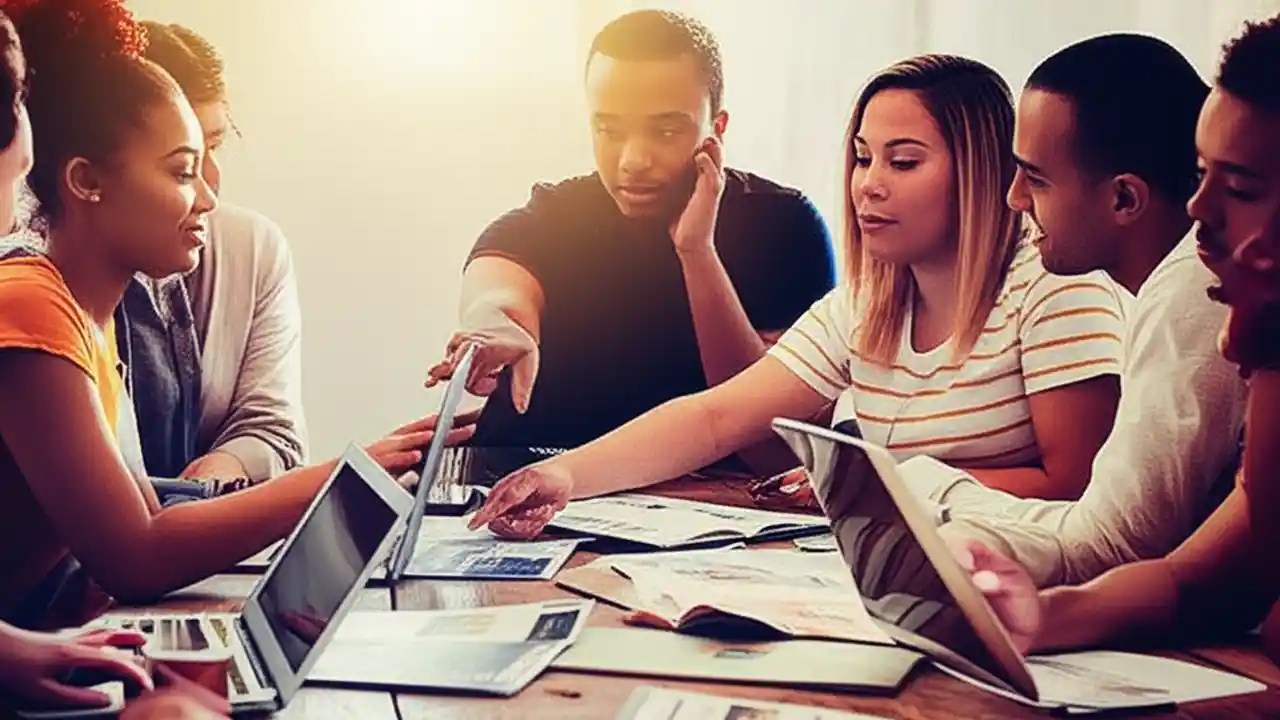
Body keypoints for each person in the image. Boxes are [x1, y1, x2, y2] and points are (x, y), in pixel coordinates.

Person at [468, 53, 1129, 540]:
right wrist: (566, 478)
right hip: (905, 571)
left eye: (902, 162)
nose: (867, 184)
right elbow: (715, 419)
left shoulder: (1055, 288)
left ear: (982, 173)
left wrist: (870, 485)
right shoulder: (867, 305)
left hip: (1025, 585)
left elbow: (1075, 485)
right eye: (863, 158)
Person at [0, 0, 453, 629]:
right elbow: (135, 556)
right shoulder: (29, 306)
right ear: (85, 181)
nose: (209, 197)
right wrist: (349, 473)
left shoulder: (82, 318)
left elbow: (149, 517)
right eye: (183, 170)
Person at [959, 14, 1280, 664]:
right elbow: (1197, 577)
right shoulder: (1265, 340)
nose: (1196, 209)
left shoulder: (1197, 290)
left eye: (1239, 187)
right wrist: (1039, 618)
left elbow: (1119, 544)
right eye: (1200, 172)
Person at [901, 35, 1247, 588]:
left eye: (1035, 177)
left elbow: (1115, 544)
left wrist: (916, 487)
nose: (1014, 198)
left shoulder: (1192, 289)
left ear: (1124, 199)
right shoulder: (1174, 284)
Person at [425, 10, 837, 453]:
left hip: (706, 505)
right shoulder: (553, 217)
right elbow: (498, 294)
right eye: (609, 130)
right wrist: (494, 328)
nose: (632, 160)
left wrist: (696, 251)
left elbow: (768, 443)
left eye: (665, 130)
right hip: (532, 493)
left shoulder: (784, 227)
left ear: (716, 129)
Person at [113, 21, 306, 489]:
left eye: (215, 146)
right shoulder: (43, 297)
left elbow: (276, 430)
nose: (211, 186)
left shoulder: (252, 247)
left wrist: (212, 480)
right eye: (183, 165)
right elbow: (133, 541)